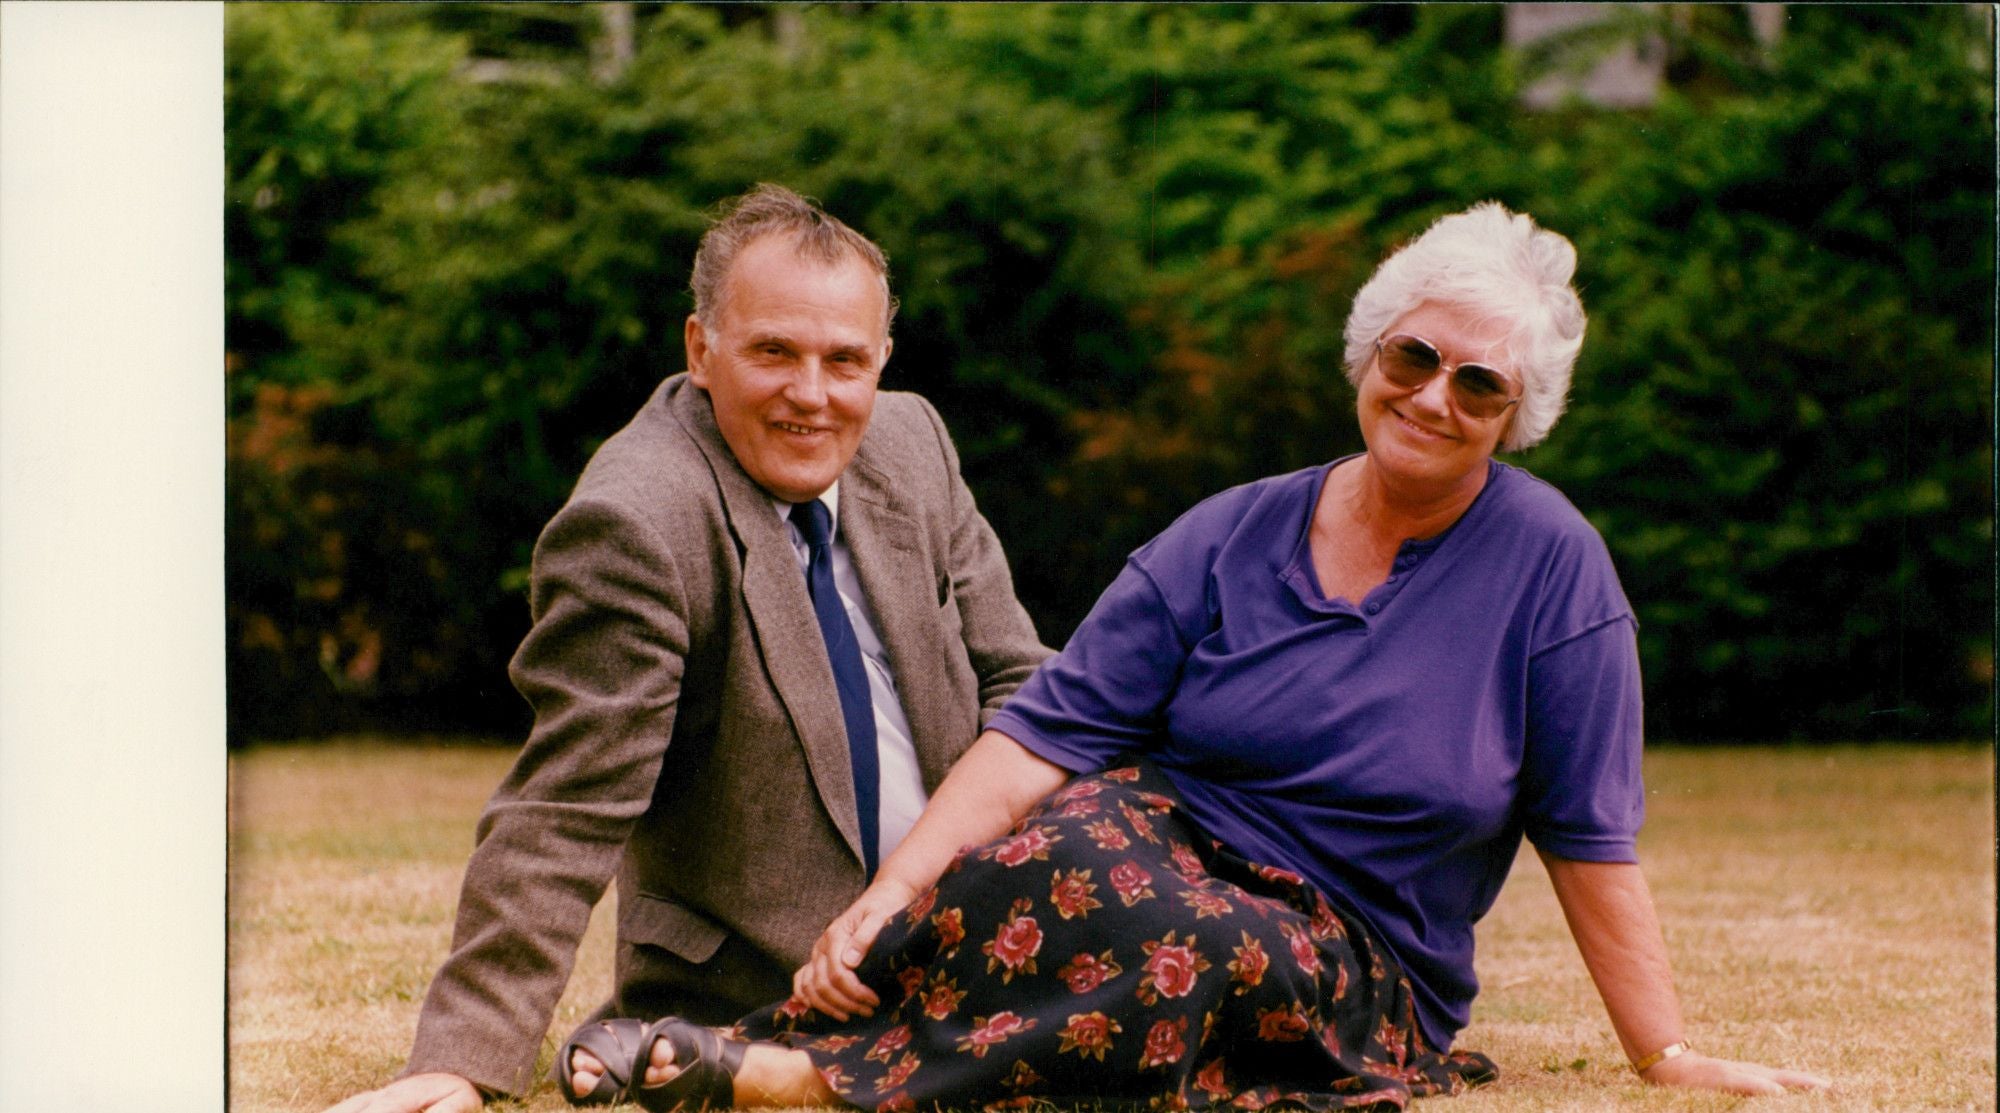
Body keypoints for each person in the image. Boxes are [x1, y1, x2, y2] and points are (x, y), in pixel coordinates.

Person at [550, 202, 1832, 1112]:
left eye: (1478, 385)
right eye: (1413, 357)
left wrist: (1660, 1051)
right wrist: (893, 893)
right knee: (1038, 856)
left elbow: (1587, 835)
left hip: (1354, 935)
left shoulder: (1555, 573)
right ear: (1368, 357)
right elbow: (1043, 732)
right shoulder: (1232, 530)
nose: (1434, 397)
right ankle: (703, 1040)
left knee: (1179, 946)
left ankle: (798, 1083)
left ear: (1518, 413)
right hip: (1165, 837)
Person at [326, 185, 1050, 1113]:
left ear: (883, 361)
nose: (813, 393)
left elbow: (1021, 682)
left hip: (969, 910)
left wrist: (992, 878)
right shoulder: (637, 521)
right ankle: (726, 1055)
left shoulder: (911, 442)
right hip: (772, 976)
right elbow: (566, 806)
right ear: (701, 349)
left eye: (845, 360)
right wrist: (462, 1057)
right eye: (774, 352)